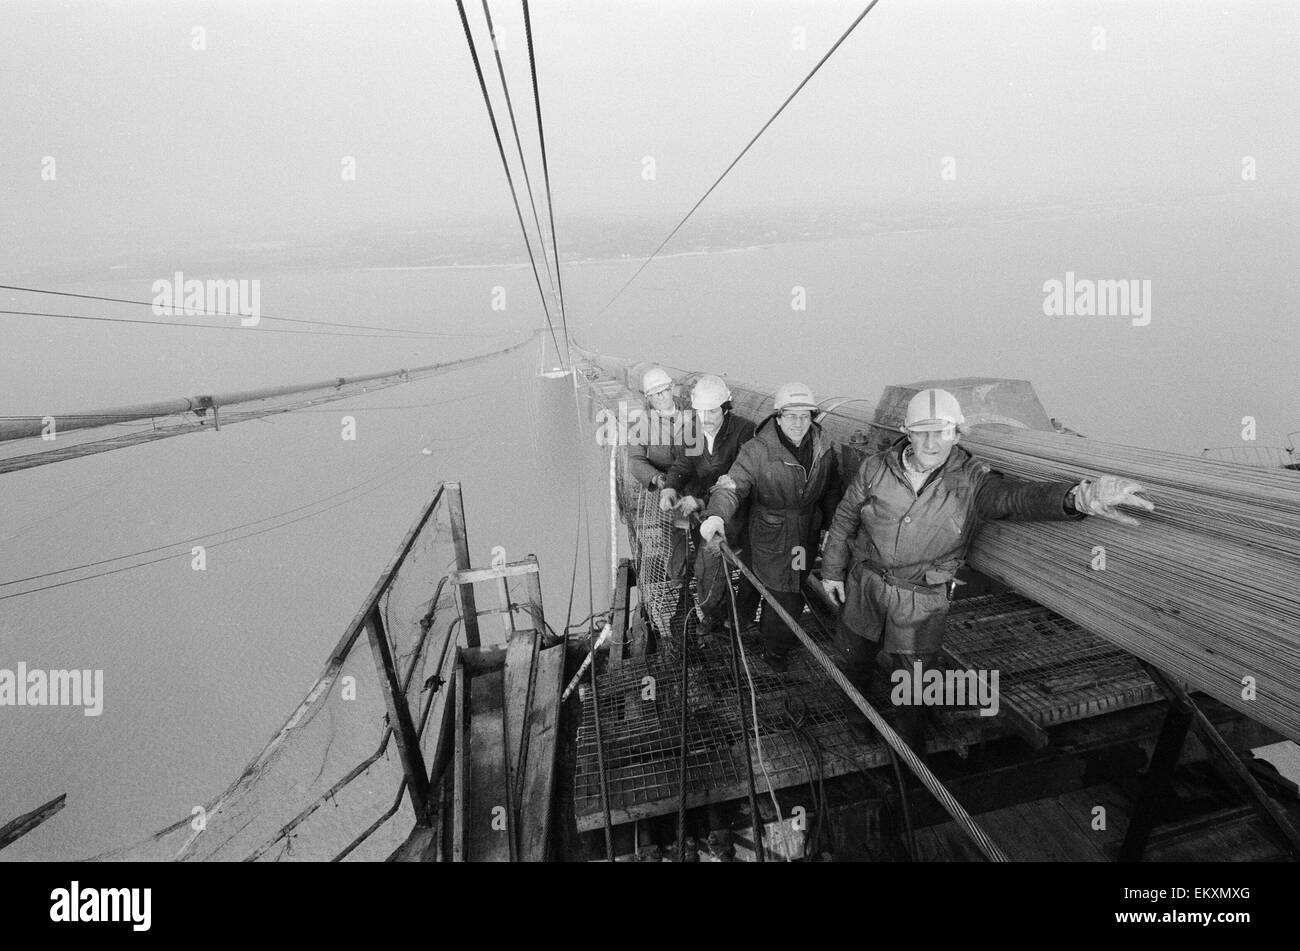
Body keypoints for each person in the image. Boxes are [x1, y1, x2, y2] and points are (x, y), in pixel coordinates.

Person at [820, 387, 1154, 751]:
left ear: (957, 434)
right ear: (907, 431)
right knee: (854, 659)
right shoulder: (875, 468)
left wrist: (1079, 497)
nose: (932, 443)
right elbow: (844, 519)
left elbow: (1015, 498)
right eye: (922, 432)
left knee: (914, 683)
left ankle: (909, 750)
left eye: (942, 432)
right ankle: (858, 721)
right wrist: (832, 572)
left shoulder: (972, 481)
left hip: (919, 599)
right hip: (866, 583)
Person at [698, 382, 843, 670]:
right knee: (770, 586)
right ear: (778, 416)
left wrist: (837, 532)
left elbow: (831, 493)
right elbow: (731, 485)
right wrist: (716, 516)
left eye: (805, 416)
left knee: (792, 584)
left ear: (812, 416)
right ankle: (772, 650)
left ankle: (757, 637)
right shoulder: (757, 450)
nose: (799, 423)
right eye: (791, 416)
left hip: (803, 538)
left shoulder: (824, 447)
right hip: (766, 532)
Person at [658, 375, 756, 640]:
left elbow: (741, 480)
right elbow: (682, 466)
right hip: (709, 518)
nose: (706, 418)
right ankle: (717, 615)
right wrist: (669, 487)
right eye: (701, 412)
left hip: (741, 518)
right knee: (706, 572)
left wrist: (700, 501)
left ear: (725, 408)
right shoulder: (692, 431)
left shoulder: (745, 432)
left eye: (712, 411)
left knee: (751, 572)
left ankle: (739, 621)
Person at [626, 366, 693, 580]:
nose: (661, 397)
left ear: (671, 388)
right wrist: (655, 477)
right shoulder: (640, 422)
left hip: (695, 481)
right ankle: (680, 584)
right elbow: (636, 461)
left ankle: (707, 578)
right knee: (676, 533)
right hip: (665, 484)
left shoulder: (694, 412)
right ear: (648, 397)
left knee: (706, 530)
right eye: (654, 394)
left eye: (664, 390)